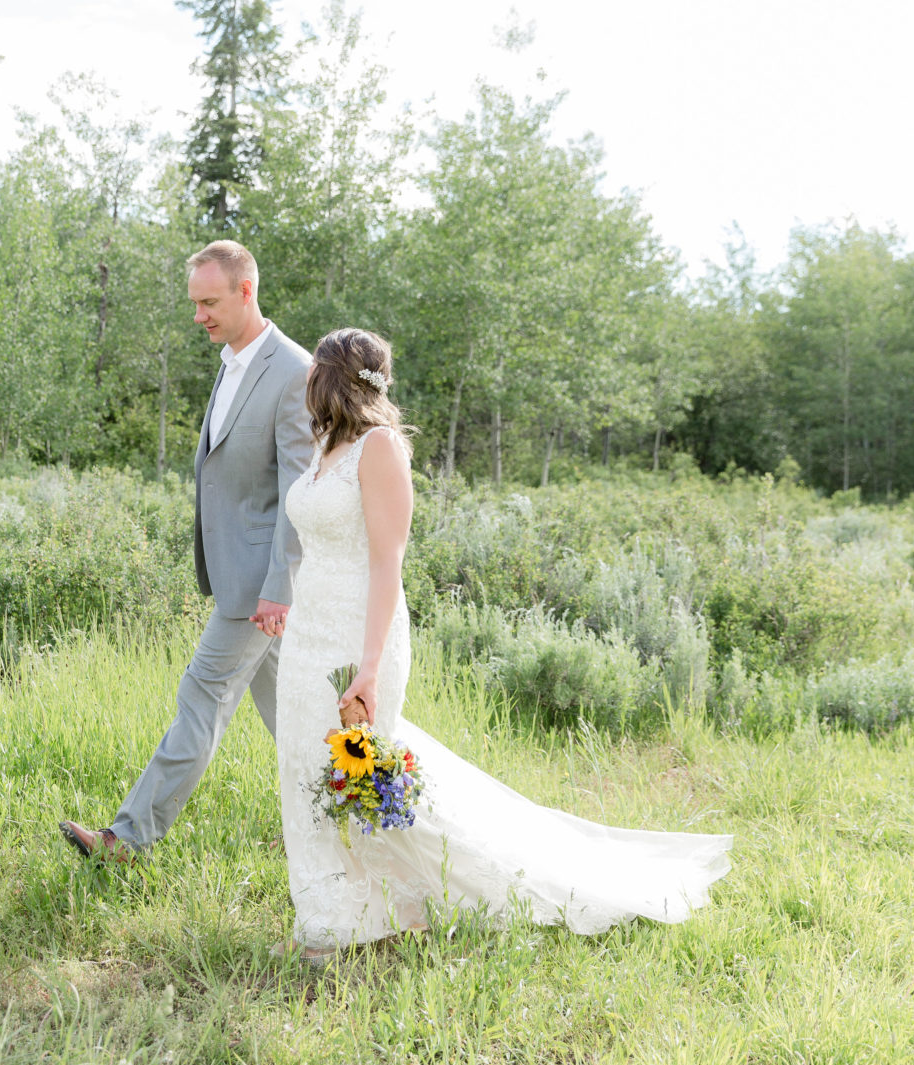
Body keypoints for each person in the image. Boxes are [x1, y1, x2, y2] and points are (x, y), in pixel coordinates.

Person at [273, 328, 733, 962]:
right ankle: (339, 913)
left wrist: (371, 666)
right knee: (307, 768)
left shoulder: (379, 448)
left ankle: (395, 910)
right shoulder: (327, 447)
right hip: (307, 634)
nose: (304, 382)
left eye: (313, 371)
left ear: (335, 377)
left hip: (357, 637)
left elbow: (388, 562)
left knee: (355, 772)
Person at [60, 240, 313, 862]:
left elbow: (298, 494)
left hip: (260, 585)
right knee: (298, 718)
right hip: (241, 576)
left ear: (245, 291)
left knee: (202, 696)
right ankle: (341, 823)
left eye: (208, 301)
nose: (198, 315)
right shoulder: (232, 360)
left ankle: (127, 839)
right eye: (194, 303)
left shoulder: (292, 372)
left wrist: (279, 585)